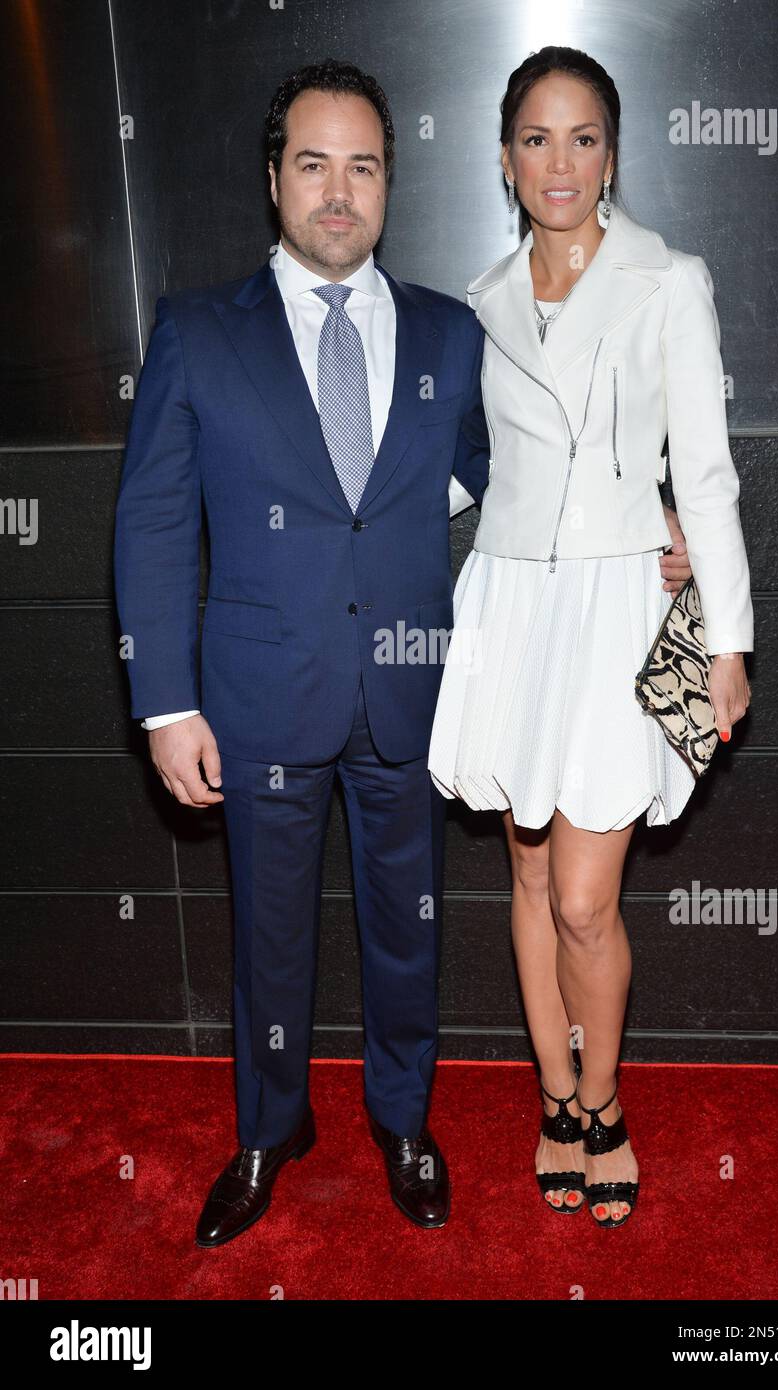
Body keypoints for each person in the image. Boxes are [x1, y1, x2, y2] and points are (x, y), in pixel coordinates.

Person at [113, 59, 492, 1243]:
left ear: (389, 183)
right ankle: (269, 1129)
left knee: (408, 925)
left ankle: (404, 1119)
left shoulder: (449, 330)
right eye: (314, 164)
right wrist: (164, 701)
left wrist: (652, 520)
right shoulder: (194, 331)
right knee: (267, 938)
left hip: (405, 688)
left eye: (363, 166)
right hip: (256, 700)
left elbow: (502, 473)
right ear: (275, 179)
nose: (340, 192)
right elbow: (154, 520)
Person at [428, 46, 753, 1229]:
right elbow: (470, 470)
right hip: (512, 602)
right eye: (533, 138)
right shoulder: (478, 300)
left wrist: (725, 637)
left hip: (619, 603)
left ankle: (605, 1099)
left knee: (579, 897)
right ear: (506, 158)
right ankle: (553, 1095)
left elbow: (703, 473)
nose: (557, 162)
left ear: (610, 154)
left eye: (581, 138)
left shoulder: (668, 281)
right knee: (521, 869)